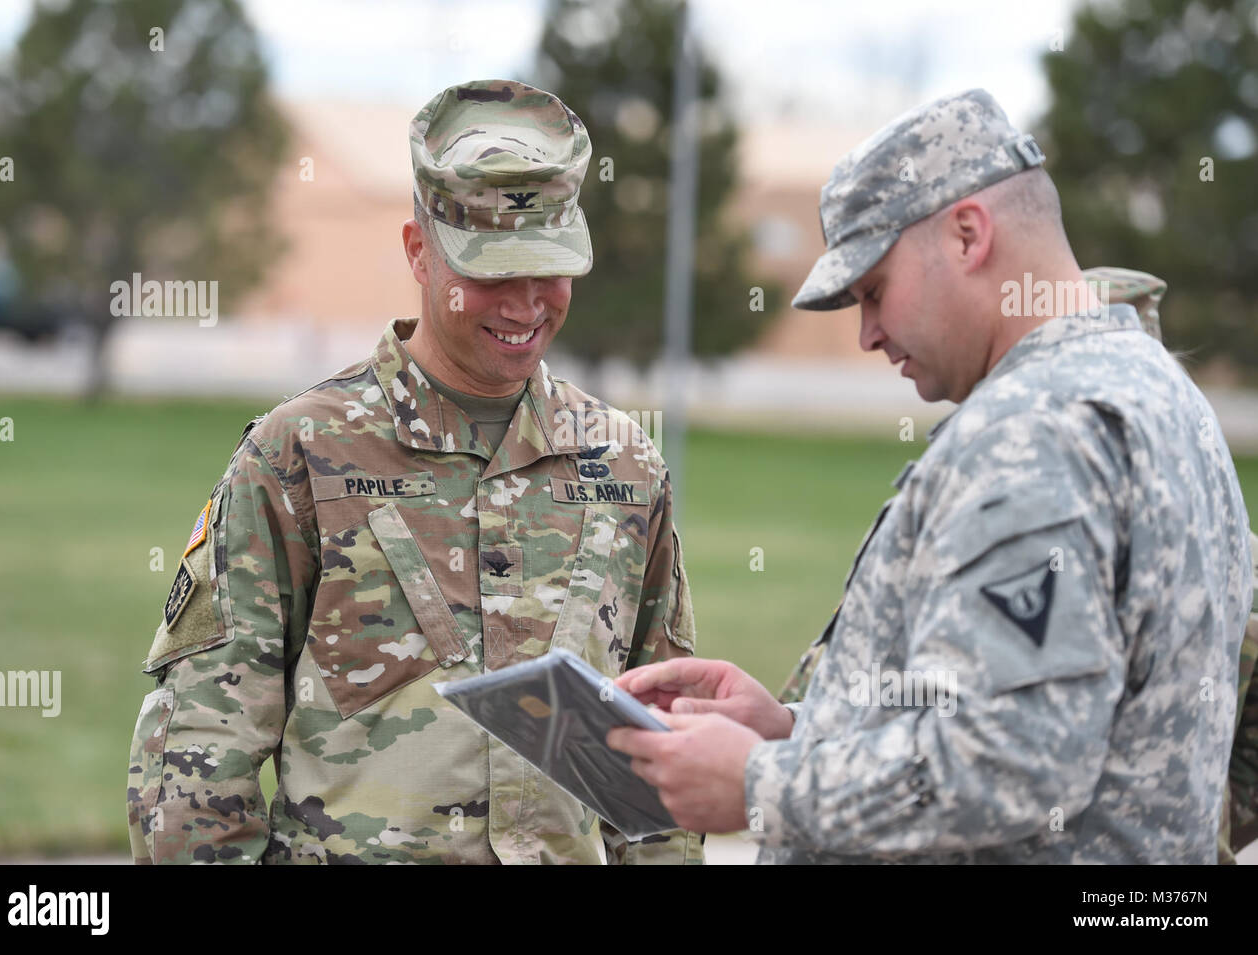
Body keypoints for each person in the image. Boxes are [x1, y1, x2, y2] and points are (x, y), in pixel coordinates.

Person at [607, 89, 1252, 863]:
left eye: (874, 289)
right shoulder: (1156, 391)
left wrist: (759, 782)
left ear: (969, 234)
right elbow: (1045, 714)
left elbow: (1013, 760)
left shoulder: (1035, 429)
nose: (868, 332)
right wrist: (799, 729)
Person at [126, 79, 704, 865]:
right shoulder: (300, 454)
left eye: (552, 268)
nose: (529, 303)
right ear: (417, 249)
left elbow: (659, 755)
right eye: (495, 271)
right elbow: (196, 763)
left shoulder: (625, 464)